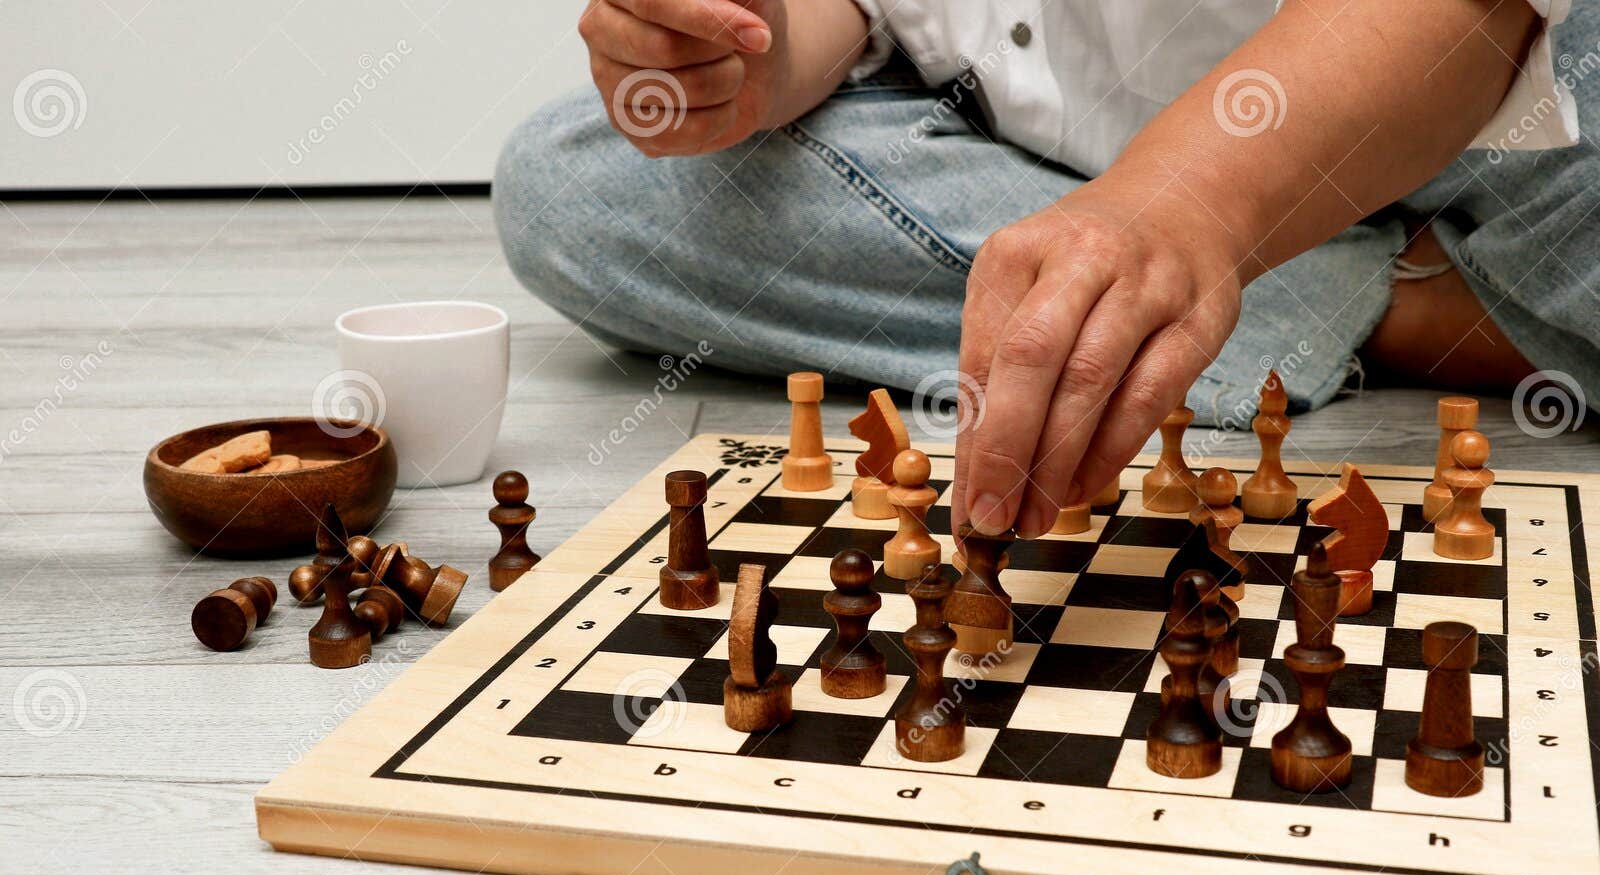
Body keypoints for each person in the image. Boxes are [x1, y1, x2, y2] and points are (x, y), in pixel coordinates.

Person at [496, 0, 1592, 540]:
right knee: (578, 186)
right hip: (1065, 168)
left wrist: (1185, 203)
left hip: (1489, 114)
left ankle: (1239, 281)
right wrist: (731, 46)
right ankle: (1400, 295)